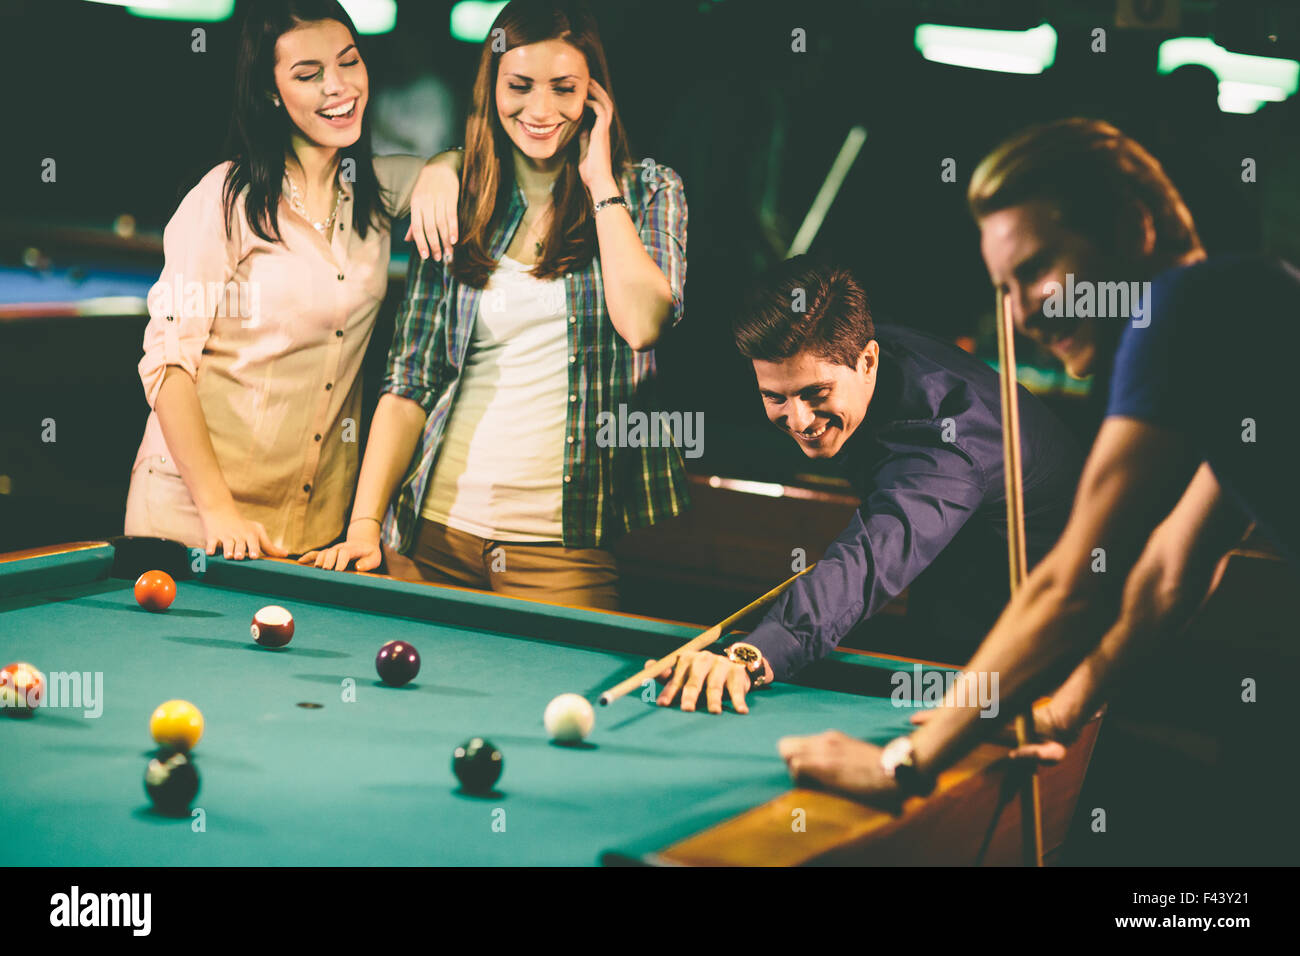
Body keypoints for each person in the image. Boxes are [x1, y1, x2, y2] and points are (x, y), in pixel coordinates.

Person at [777, 119, 1298, 814]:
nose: (1021, 315)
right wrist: (1062, 709)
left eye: (1036, 271)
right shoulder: (1239, 310)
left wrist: (906, 764)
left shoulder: (1183, 310)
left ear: (1131, 226)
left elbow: (1073, 583)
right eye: (1004, 289)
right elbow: (1173, 568)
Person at [302, 0, 689, 611]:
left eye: (565, 88)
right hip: (431, 537)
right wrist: (364, 525)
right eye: (520, 86)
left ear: (595, 94)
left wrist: (600, 182)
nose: (540, 110)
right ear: (492, 86)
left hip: (559, 552)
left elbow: (642, 324)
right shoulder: (457, 198)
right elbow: (409, 380)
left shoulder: (647, 191)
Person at [654, 256, 1084, 713]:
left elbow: (870, 559)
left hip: (1044, 630)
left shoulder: (946, 441)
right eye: (775, 397)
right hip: (955, 584)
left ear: (868, 361)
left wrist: (752, 655)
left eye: (815, 394)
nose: (797, 420)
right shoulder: (853, 349)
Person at [126, 0, 452, 559]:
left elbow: (476, 168)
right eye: (308, 74)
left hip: (313, 532)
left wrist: (445, 166)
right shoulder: (223, 201)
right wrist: (218, 510)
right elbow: (167, 366)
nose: (338, 87)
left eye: (348, 62)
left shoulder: (374, 191)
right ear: (272, 92)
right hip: (192, 520)